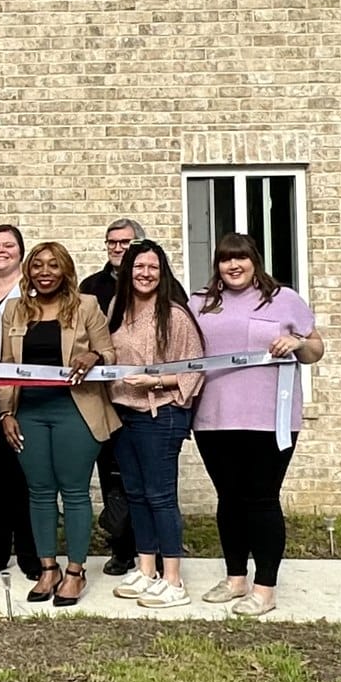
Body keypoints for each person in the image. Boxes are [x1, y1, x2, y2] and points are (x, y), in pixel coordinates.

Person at [189, 233, 323, 617]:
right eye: (225, 260)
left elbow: (316, 349)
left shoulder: (284, 298)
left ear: (254, 261)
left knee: (262, 499)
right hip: (214, 418)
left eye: (241, 259)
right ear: (216, 265)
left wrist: (297, 345)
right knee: (228, 498)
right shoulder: (200, 303)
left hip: (269, 419)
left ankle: (265, 587)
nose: (233, 266)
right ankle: (235, 579)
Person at [0, 242, 117, 609]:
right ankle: (48, 569)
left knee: (75, 491)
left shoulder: (87, 305)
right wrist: (5, 413)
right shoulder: (15, 310)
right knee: (39, 491)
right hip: (29, 412)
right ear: (28, 271)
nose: (45, 272)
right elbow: (5, 365)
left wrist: (93, 355)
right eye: (37, 266)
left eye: (53, 265)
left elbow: (111, 354)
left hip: (76, 412)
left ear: (65, 270)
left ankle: (75, 572)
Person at [106, 240, 205, 609]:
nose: (145, 274)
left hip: (160, 414)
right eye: (138, 267)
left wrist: (157, 382)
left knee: (161, 496)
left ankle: (173, 579)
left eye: (153, 267)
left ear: (162, 273)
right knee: (136, 493)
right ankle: (146, 568)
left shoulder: (175, 315)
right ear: (127, 271)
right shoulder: (118, 309)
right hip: (125, 413)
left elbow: (194, 366)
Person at [80, 218, 147, 579]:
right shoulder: (92, 287)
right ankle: (122, 549)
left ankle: (151, 547)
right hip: (104, 399)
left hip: (149, 398)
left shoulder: (159, 282)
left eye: (125, 242)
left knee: (148, 478)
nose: (118, 248)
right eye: (112, 243)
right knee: (112, 478)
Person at [0, 223, 39, 584]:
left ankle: (31, 552)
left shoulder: (33, 292)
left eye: (9, 245)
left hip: (23, 398)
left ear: (21, 251)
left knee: (27, 477)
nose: (1, 250)